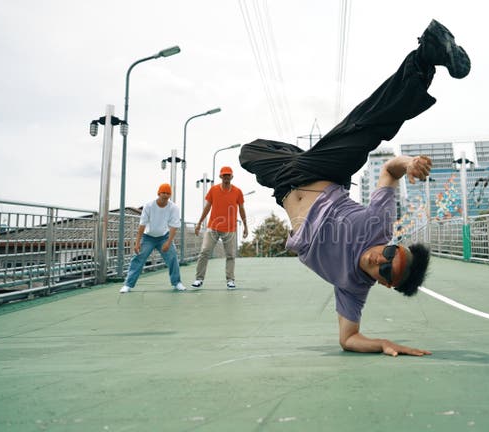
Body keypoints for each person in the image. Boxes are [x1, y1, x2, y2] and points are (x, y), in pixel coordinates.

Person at [239, 19, 470, 356]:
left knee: (249, 152)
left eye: (385, 270)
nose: (381, 257)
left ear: (385, 284)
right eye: (391, 253)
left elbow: (348, 339)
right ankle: (427, 58)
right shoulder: (379, 226)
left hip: (286, 181)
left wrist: (382, 343)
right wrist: (409, 164)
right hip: (326, 173)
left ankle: (313, 152)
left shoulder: (353, 287)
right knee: (364, 127)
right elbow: (390, 172)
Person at [120, 183, 187, 293]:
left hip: (164, 237)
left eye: (168, 193)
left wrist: (168, 243)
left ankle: (177, 283)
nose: (165, 195)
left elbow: (174, 226)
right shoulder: (149, 206)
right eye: (163, 193)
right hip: (148, 237)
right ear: (158, 193)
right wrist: (137, 243)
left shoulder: (173, 208)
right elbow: (142, 225)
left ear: (170, 195)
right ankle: (128, 285)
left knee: (172, 257)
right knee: (138, 259)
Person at [191, 166, 249, 289]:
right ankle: (198, 279)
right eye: (224, 175)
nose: (226, 177)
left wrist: (245, 226)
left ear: (232, 177)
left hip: (230, 229)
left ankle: (230, 280)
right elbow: (207, 207)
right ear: (220, 177)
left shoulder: (237, 192)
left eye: (228, 175)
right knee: (204, 251)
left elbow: (242, 209)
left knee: (230, 255)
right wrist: (199, 222)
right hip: (213, 227)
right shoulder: (213, 190)